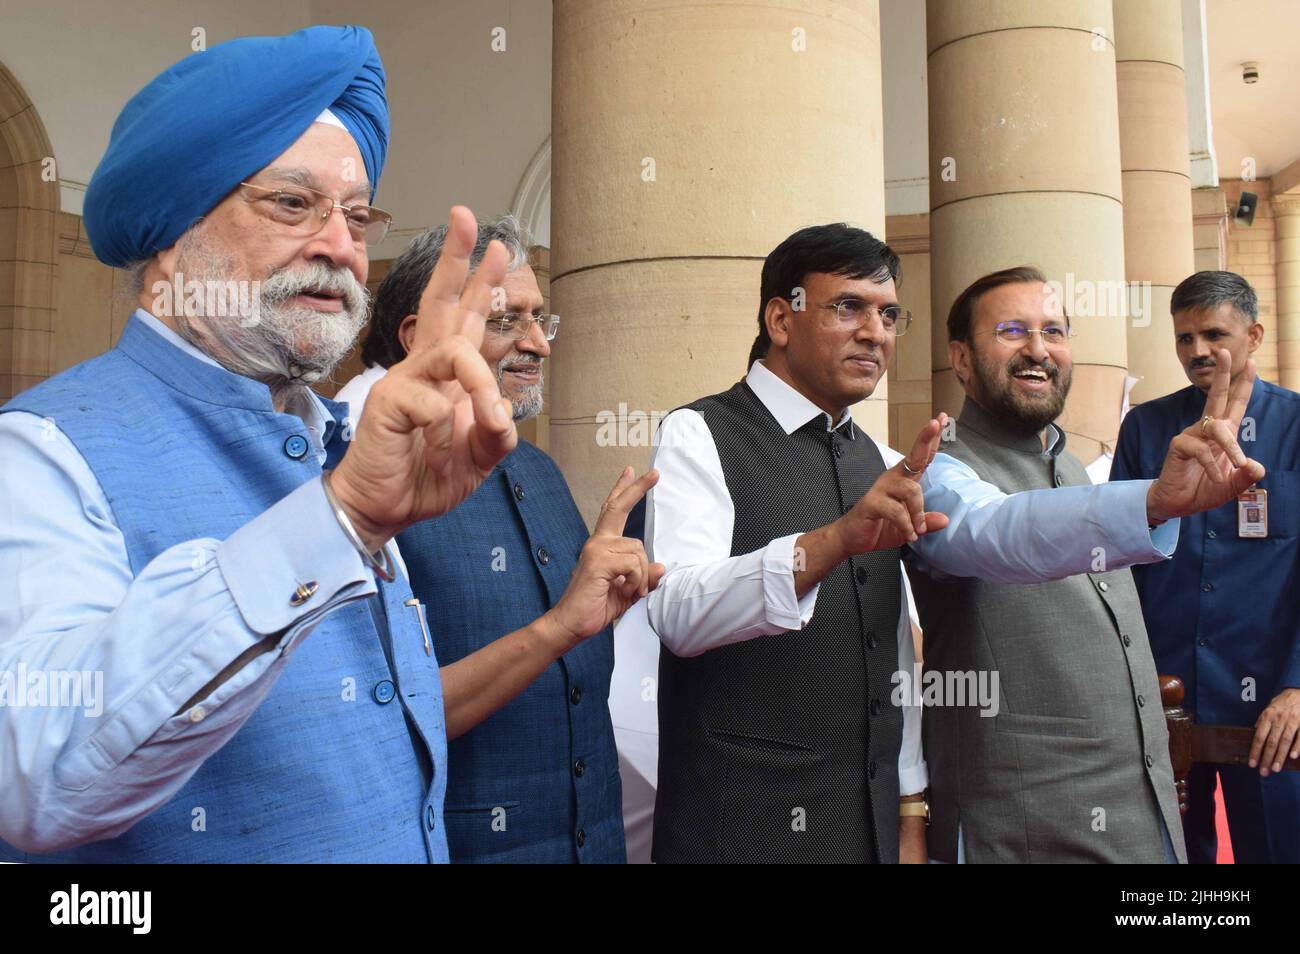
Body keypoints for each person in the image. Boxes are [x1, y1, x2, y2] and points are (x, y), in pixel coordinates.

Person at [0, 26, 651, 862]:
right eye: (291, 204)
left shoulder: (340, 440)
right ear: (172, 237)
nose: (340, 246)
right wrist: (338, 520)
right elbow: (37, 780)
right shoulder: (43, 454)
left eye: (354, 215)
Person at [645, 223, 1264, 864]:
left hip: (873, 825)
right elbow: (677, 614)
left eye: (888, 315)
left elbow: (893, 661)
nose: (875, 332)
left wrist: (911, 809)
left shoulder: (885, 461)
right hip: (738, 821)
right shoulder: (705, 433)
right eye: (848, 308)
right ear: (782, 318)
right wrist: (830, 543)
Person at [337, 216, 628, 862]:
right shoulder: (351, 477)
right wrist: (558, 627)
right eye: (506, 322)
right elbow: (376, 717)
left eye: (540, 320)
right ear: (422, 338)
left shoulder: (540, 470)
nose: (539, 345)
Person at [911, 266, 1199, 862]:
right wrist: (1149, 502)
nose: (1039, 349)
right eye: (1012, 331)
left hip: (1142, 821)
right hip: (1022, 833)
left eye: (1054, 331)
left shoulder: (1076, 465)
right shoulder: (937, 474)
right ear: (961, 359)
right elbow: (996, 531)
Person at [1113, 269, 1300, 863]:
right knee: (1167, 862)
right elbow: (1114, 561)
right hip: (1162, 699)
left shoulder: (1297, 426)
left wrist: (1299, 684)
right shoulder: (1145, 428)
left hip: (1271, 707)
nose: (1197, 351)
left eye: (1213, 334)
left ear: (1255, 335)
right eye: (1184, 337)